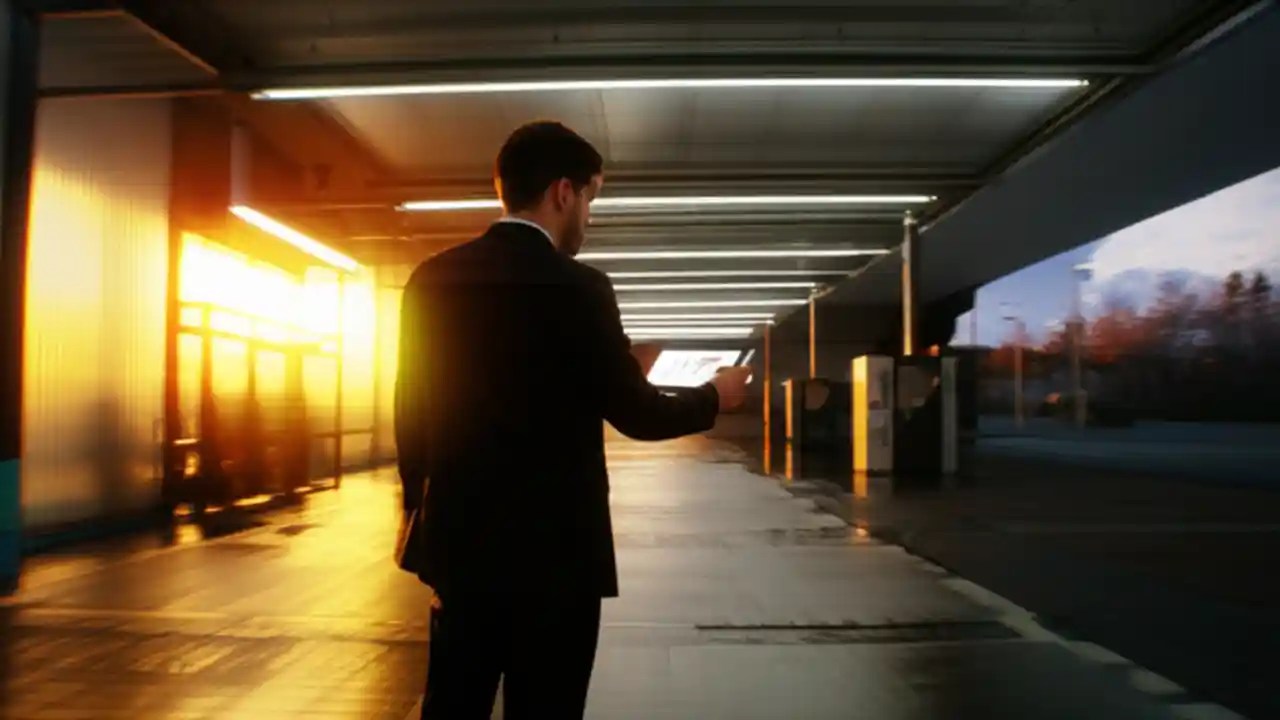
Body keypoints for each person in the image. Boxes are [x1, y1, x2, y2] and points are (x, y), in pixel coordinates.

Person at [395, 121, 750, 718]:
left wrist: (423, 518)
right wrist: (713, 396)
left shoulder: (432, 279)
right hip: (556, 563)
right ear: (564, 192)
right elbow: (636, 414)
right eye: (591, 197)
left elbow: (413, 417)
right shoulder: (579, 287)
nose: (588, 215)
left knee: (453, 705)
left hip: (462, 555)